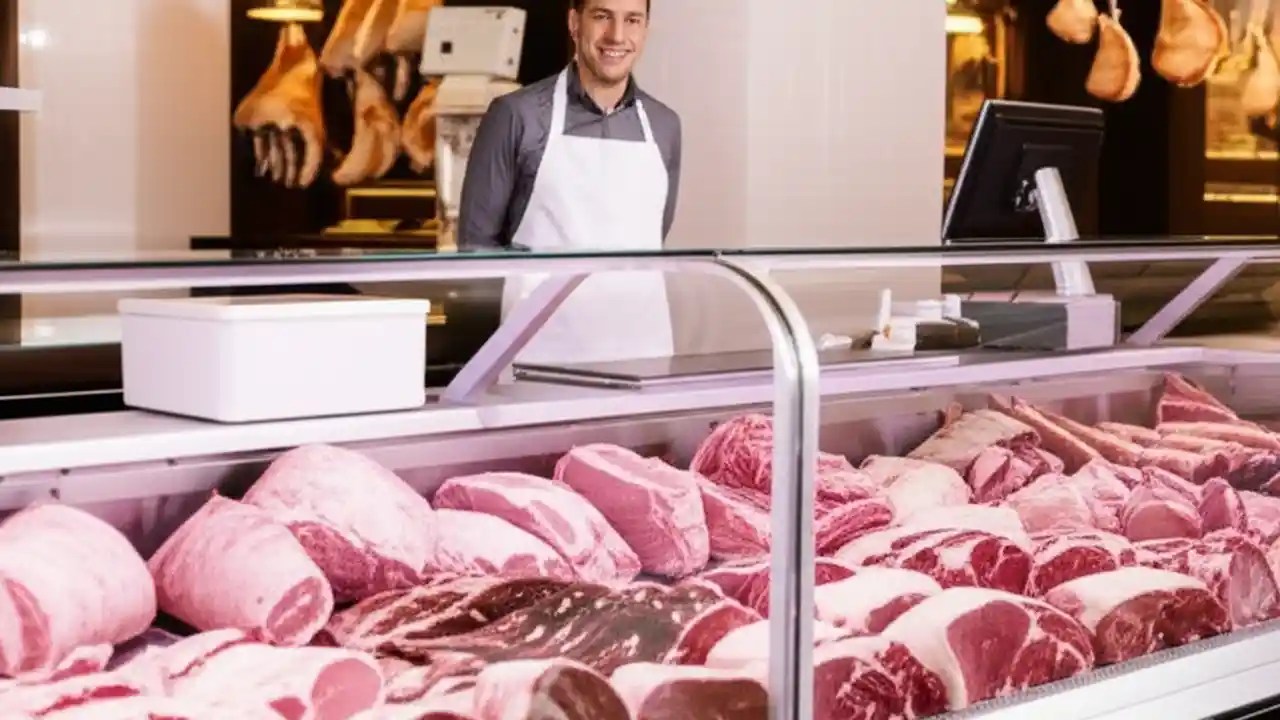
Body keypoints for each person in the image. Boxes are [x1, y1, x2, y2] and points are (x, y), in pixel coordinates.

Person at [458, 0, 682, 365]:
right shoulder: (516, 116)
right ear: (574, 22)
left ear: (645, 29)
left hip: (643, 348)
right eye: (602, 16)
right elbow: (475, 249)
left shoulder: (665, 126)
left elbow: (656, 233)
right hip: (540, 354)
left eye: (632, 20)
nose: (617, 36)